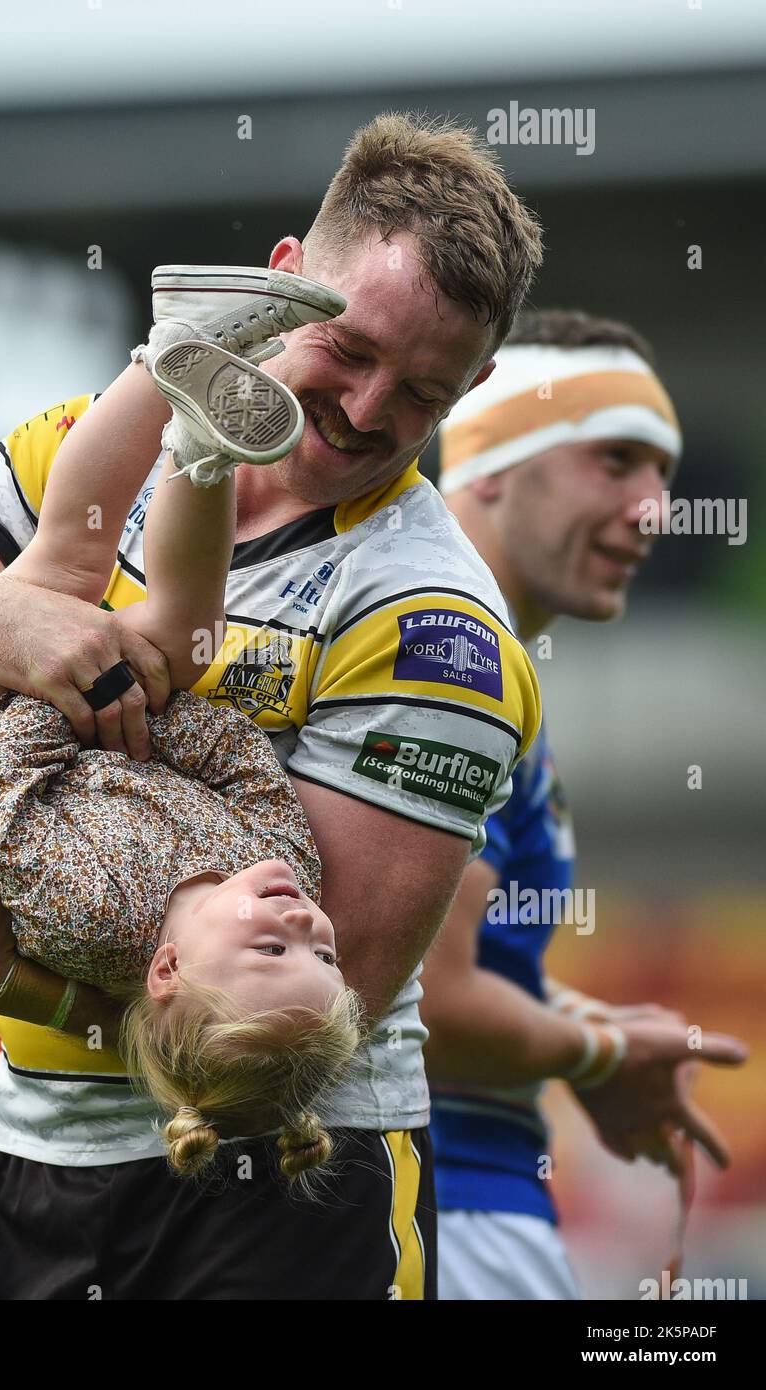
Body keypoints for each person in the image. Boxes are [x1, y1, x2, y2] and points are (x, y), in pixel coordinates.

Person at [0, 111, 545, 1300]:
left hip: (286, 1184)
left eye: (422, 393)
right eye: (350, 349)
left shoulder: (437, 624)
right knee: (64, 592)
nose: (368, 412)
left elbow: (311, 1014)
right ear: (280, 283)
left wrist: (9, 981)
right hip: (26, 1149)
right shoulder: (71, 451)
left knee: (152, 641)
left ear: (471, 387)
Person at [0, 300, 364, 1176]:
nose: (302, 918)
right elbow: (240, 761)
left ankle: (158, 358)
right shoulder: (284, 860)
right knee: (182, 632)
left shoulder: (95, 919)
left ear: (167, 970)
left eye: (274, 947)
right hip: (88, 736)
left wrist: (73, 690)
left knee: (64, 567)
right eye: (324, 951)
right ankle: (199, 447)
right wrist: (150, 698)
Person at [424, 308, 749, 1299]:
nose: (654, 509)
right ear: (489, 460)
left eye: (660, 473)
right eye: (614, 462)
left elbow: (419, 955)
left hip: (458, 1196)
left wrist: (584, 1031)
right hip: (441, 1201)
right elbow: (418, 1001)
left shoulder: (481, 656)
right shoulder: (446, 652)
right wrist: (601, 1052)